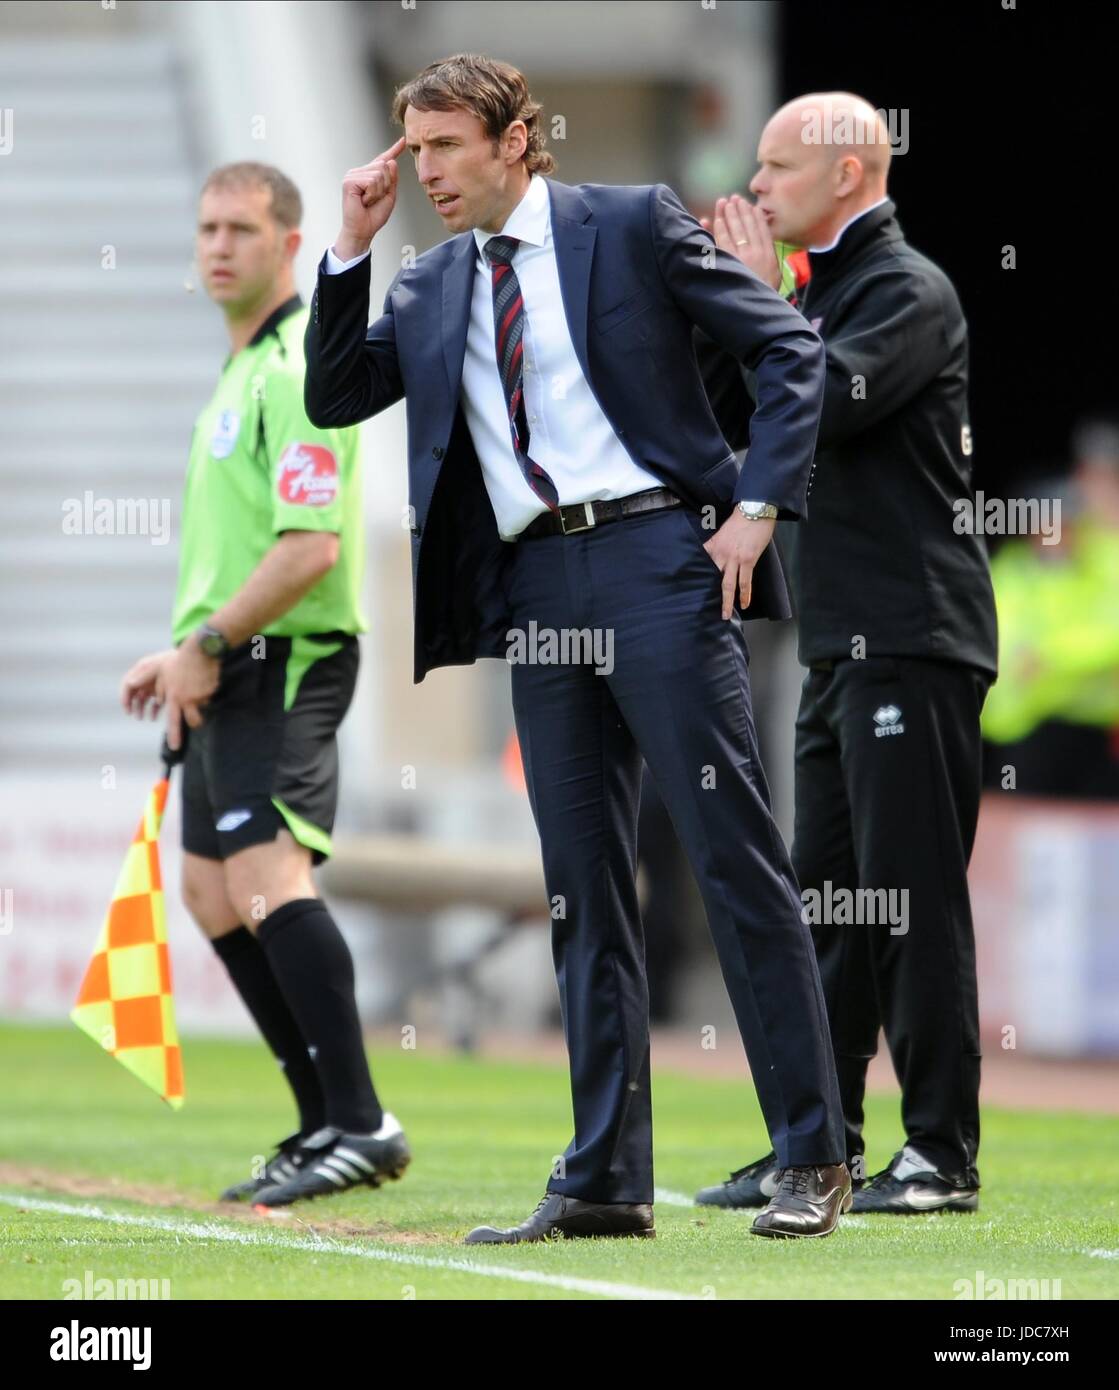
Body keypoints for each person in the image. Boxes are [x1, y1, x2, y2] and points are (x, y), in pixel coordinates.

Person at [306, 54, 850, 1242]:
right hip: (536, 587)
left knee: (730, 853)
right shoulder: (432, 277)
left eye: (446, 147)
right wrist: (348, 251)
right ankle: (605, 1175)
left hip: (660, 561)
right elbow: (336, 393)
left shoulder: (630, 223)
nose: (426, 173)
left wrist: (757, 509)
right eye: (415, 149)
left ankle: (813, 1152)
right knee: (581, 891)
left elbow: (787, 351)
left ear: (517, 141)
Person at [695, 93, 998, 1215]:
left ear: (851, 173)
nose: (757, 185)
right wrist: (742, 304)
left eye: (777, 167)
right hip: (842, 646)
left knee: (909, 899)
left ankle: (939, 1155)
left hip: (912, 638)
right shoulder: (819, 290)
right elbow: (738, 408)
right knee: (827, 905)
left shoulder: (906, 290)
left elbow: (822, 400)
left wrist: (757, 299)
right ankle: (817, 1142)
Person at [120, 162, 410, 1209]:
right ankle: (324, 1118)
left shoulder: (293, 367)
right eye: (205, 227)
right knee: (208, 890)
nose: (218, 246)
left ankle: (364, 1118)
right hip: (222, 663)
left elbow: (308, 551)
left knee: (266, 875)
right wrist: (184, 652)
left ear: (292, 245)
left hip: (282, 655)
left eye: (242, 228)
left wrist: (204, 638)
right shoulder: (237, 372)